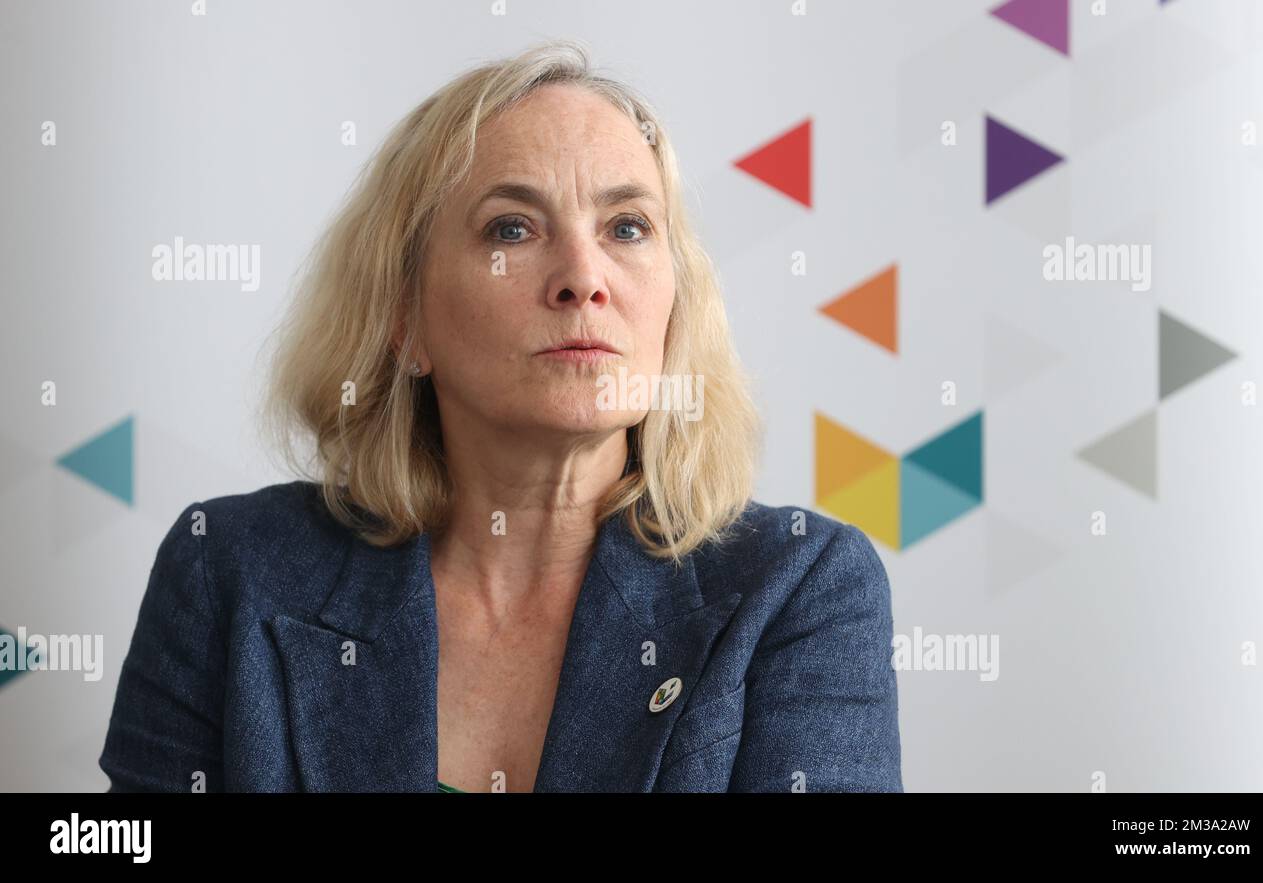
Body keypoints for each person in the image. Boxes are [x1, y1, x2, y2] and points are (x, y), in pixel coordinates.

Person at [97, 38, 902, 793]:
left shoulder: (799, 587)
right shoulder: (227, 572)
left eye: (628, 227)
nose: (584, 278)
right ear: (404, 317)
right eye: (511, 228)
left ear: (674, 303)